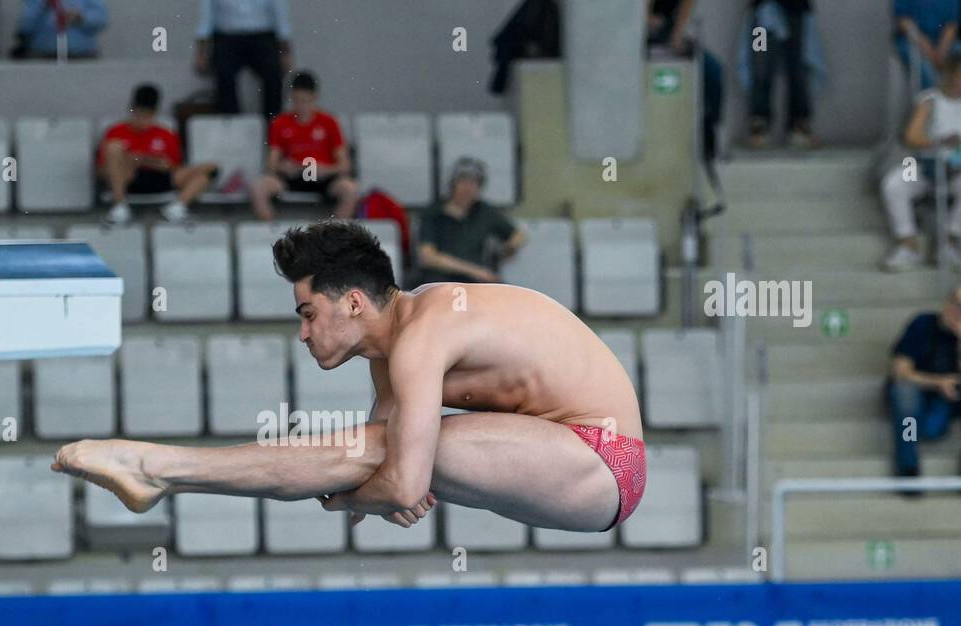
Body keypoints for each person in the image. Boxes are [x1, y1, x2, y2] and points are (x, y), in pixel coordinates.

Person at [52, 221, 646, 537]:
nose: (304, 334)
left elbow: (399, 485)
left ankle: (158, 468)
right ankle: (158, 471)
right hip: (565, 464)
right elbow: (383, 480)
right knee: (376, 449)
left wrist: (365, 494)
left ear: (355, 302)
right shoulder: (395, 355)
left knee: (380, 451)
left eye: (309, 314)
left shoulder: (423, 336)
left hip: (603, 461)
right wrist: (379, 491)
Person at [880, 52, 961, 272]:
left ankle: (950, 243)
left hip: (956, 169)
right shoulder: (929, 100)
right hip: (920, 163)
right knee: (895, 184)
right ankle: (908, 243)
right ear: (950, 75)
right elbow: (911, 137)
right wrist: (941, 140)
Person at [97, 84, 219, 225]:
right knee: (114, 148)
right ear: (132, 110)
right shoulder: (116, 131)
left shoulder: (165, 133)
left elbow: (173, 166)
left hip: (161, 177)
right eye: (139, 114)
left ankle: (177, 207)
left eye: (148, 115)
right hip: (129, 179)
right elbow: (102, 170)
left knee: (210, 168)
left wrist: (144, 159)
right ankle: (119, 206)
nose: (143, 119)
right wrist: (131, 160)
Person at [251, 72, 358, 222]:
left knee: (350, 189)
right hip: (292, 177)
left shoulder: (329, 122)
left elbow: (345, 165)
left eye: (306, 101)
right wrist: (283, 167)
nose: (301, 106)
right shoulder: (280, 123)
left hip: (323, 178)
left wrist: (325, 169)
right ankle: (273, 235)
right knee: (258, 187)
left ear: (315, 98)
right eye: (297, 100)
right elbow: (271, 164)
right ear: (291, 98)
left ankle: (334, 235)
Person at [887, 291, 961, 487]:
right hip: (915, 396)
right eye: (958, 305)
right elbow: (900, 372)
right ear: (948, 303)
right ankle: (908, 468)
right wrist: (938, 382)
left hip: (946, 401)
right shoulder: (923, 324)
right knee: (905, 398)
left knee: (931, 428)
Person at [415, 157, 525, 287]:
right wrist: (475, 271)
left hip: (475, 283)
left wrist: (505, 251)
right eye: (463, 181)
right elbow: (428, 257)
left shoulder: (484, 211)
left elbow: (517, 235)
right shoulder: (433, 212)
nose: (468, 188)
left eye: (473, 183)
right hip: (440, 282)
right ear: (453, 184)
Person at [647, 0, 724, 164]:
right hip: (634, 38)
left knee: (713, 71)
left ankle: (709, 135)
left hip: (665, 34)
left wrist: (677, 34)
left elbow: (684, 14)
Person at [194, 0, 292, 119]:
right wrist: (202, 52)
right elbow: (206, 17)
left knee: (273, 75)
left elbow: (280, 14)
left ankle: (272, 125)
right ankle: (232, 124)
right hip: (227, 36)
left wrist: (285, 52)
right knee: (223, 75)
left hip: (262, 36)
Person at [743, 0, 820, 149]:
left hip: (796, 10)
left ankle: (799, 124)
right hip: (762, 12)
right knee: (760, 66)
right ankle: (759, 123)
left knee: (798, 68)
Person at [894, 0, 958, 92]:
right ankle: (933, 103)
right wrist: (929, 51)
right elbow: (904, 21)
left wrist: (942, 52)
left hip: (944, 44)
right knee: (928, 72)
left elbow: (952, 24)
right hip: (913, 42)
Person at [15, 0, 108, 60]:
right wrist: (42, 7)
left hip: (82, 57)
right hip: (43, 58)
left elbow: (101, 19)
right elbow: (24, 28)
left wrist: (81, 18)